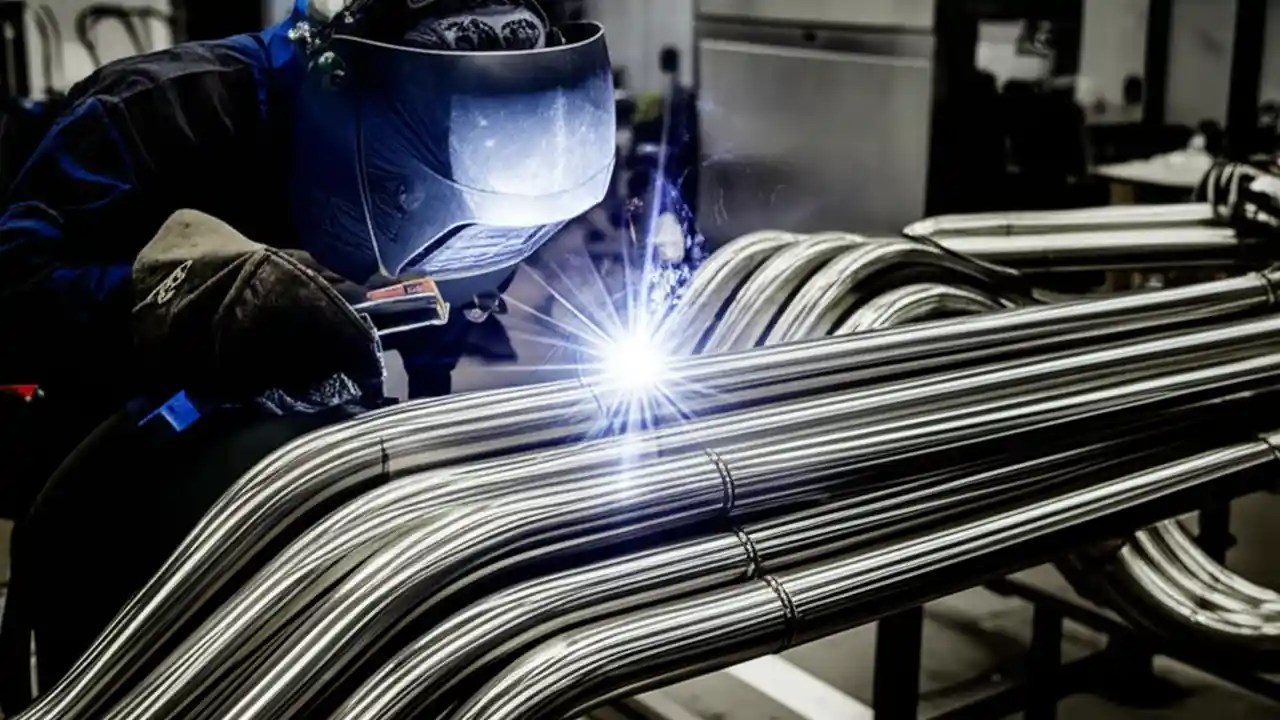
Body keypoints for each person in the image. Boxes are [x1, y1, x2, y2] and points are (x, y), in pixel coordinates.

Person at [0, 0, 615, 710]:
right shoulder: (162, 108)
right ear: (343, 82)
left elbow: (444, 293)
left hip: (304, 501)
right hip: (129, 496)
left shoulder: (485, 128)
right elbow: (14, 294)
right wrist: (182, 299)